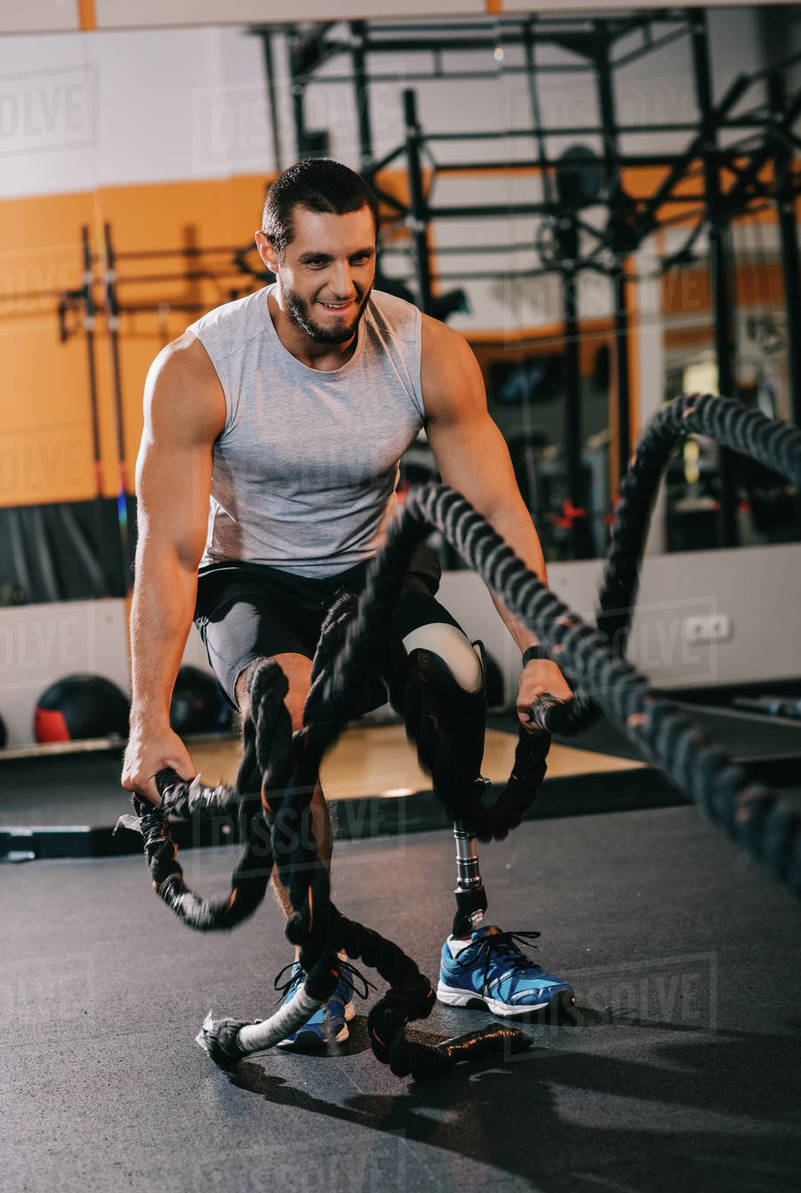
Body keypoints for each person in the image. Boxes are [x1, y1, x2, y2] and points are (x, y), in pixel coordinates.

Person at [122, 158, 575, 1049]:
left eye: (361, 258)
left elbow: (496, 513)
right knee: (285, 715)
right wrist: (148, 717)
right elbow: (170, 552)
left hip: (369, 571)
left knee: (453, 671)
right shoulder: (198, 369)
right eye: (319, 262)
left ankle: (466, 941)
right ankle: (319, 968)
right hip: (250, 580)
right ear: (269, 254)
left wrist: (542, 649)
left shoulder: (425, 351)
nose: (345, 284)